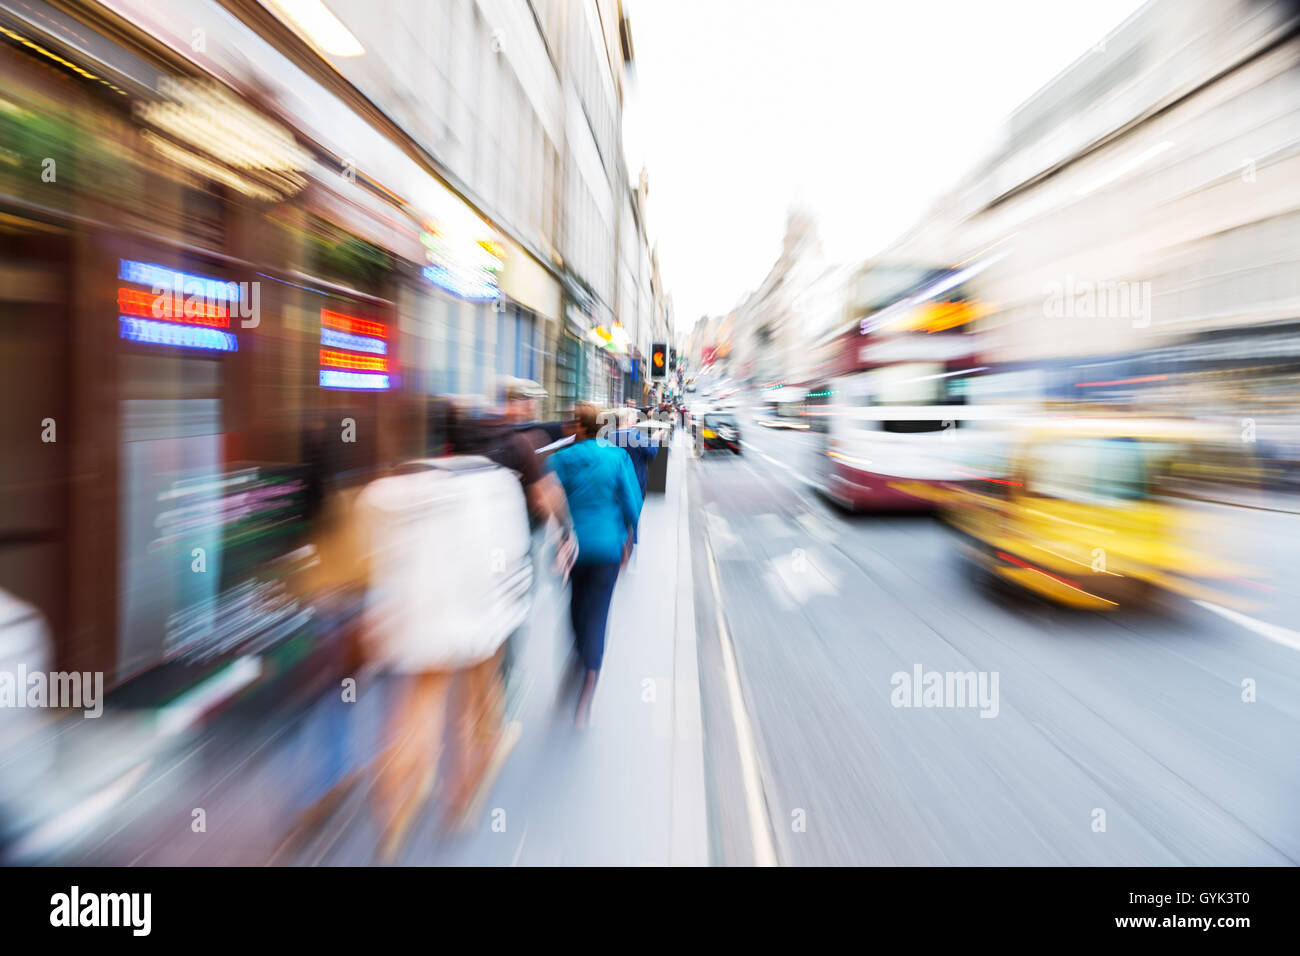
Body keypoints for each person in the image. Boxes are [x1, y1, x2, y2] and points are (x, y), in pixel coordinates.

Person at [547, 402, 643, 729]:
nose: (566, 424)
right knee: (598, 611)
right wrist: (631, 538)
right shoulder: (616, 457)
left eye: (571, 420)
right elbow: (632, 503)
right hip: (607, 549)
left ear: (580, 426)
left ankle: (579, 653)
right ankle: (590, 676)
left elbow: (549, 498)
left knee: (575, 605)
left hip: (574, 549)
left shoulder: (560, 459)